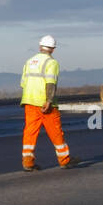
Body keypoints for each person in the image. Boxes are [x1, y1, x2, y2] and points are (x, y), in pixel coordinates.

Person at [20, 34, 80, 171]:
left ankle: (28, 162)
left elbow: (23, 83)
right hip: (44, 104)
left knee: (30, 132)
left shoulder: (29, 61)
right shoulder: (51, 63)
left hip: (29, 102)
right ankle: (65, 160)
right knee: (55, 132)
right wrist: (48, 100)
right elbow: (50, 83)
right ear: (53, 49)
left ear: (40, 47)